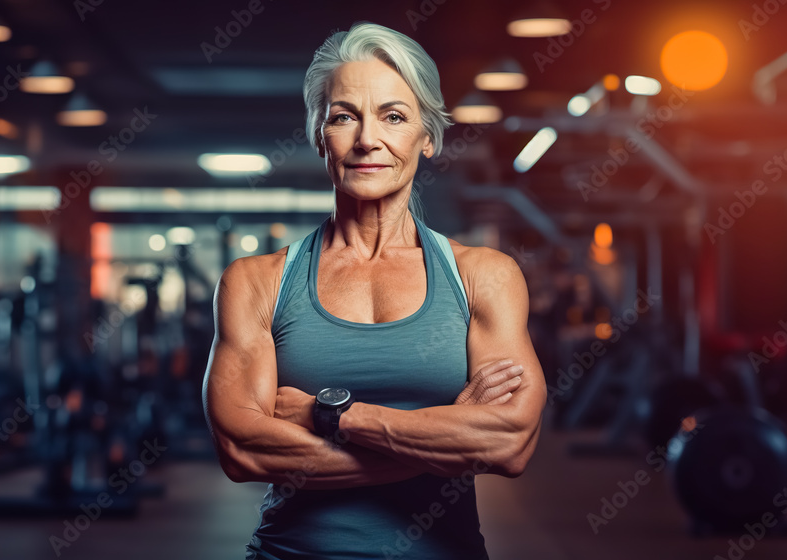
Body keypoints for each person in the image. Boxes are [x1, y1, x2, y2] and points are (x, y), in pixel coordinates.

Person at [202, 21, 546, 560]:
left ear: (427, 137)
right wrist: (448, 442)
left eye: (394, 116)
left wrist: (335, 415)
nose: (367, 139)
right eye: (344, 116)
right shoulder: (256, 282)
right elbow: (242, 450)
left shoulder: (485, 276)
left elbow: (510, 442)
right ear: (319, 134)